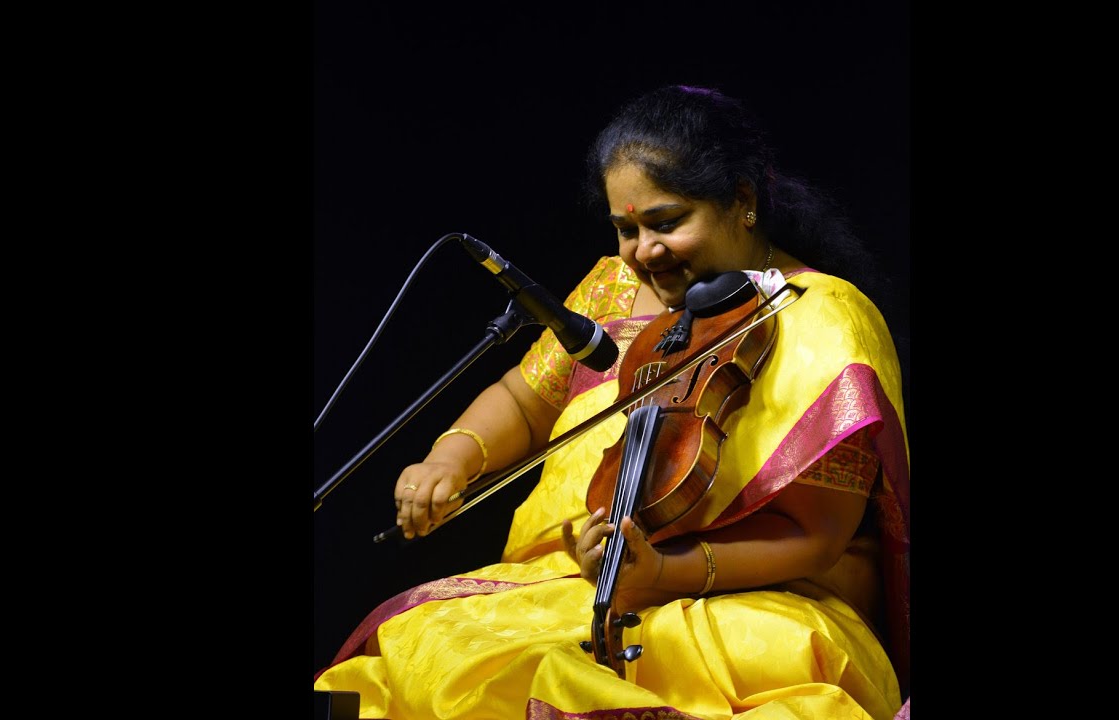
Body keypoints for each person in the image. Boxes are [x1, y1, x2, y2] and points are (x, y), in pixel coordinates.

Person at [313, 85, 910, 720]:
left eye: (667, 222)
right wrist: (450, 459)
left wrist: (660, 574)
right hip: (576, 583)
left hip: (760, 603)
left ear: (743, 201)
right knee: (429, 648)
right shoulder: (612, 288)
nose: (643, 252)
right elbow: (523, 399)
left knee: (565, 677)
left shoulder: (822, 313)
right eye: (626, 228)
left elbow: (815, 538)